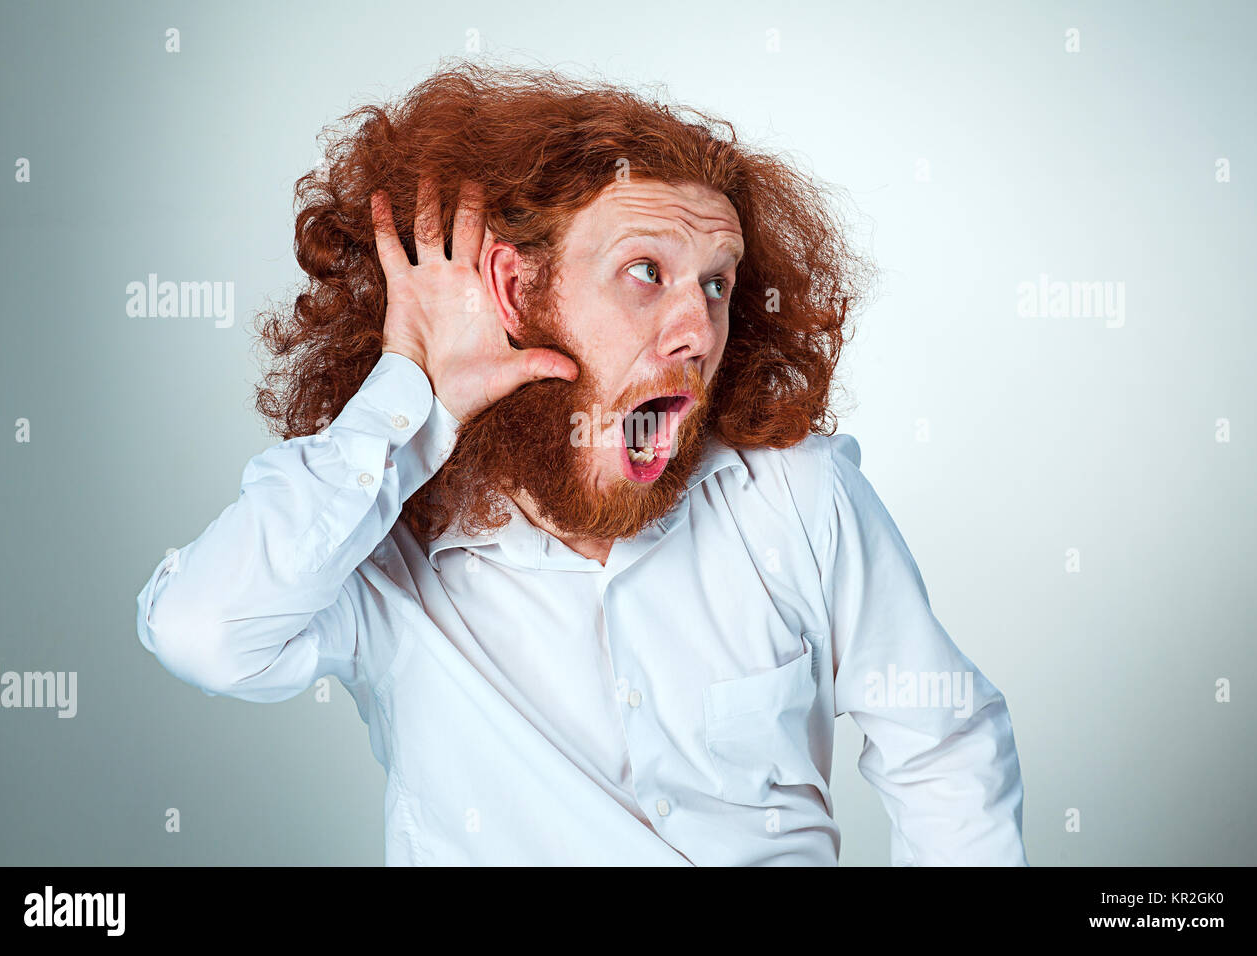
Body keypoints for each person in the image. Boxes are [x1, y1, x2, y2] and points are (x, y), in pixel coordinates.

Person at [135, 61, 1027, 866]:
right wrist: (412, 391)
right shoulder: (386, 545)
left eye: (716, 283)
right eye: (647, 271)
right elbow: (203, 633)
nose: (697, 330)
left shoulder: (798, 495)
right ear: (517, 289)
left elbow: (943, 748)